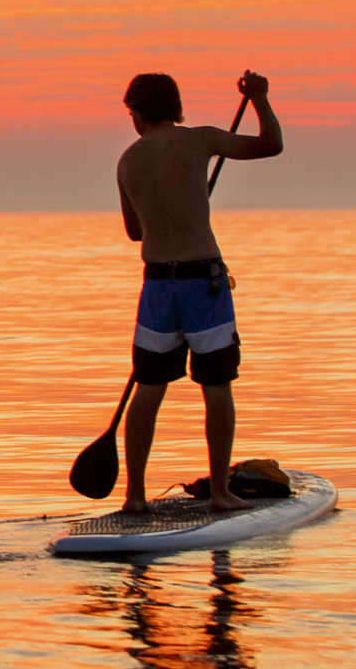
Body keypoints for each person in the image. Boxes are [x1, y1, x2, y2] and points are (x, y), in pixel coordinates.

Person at [115, 70, 283, 514]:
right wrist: (260, 99)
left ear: (136, 113)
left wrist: (163, 208)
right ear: (175, 107)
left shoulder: (128, 161)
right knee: (216, 386)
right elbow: (270, 144)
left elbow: (135, 232)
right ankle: (223, 496)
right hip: (201, 283)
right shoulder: (200, 141)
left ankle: (134, 497)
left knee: (148, 390)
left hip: (156, 287)